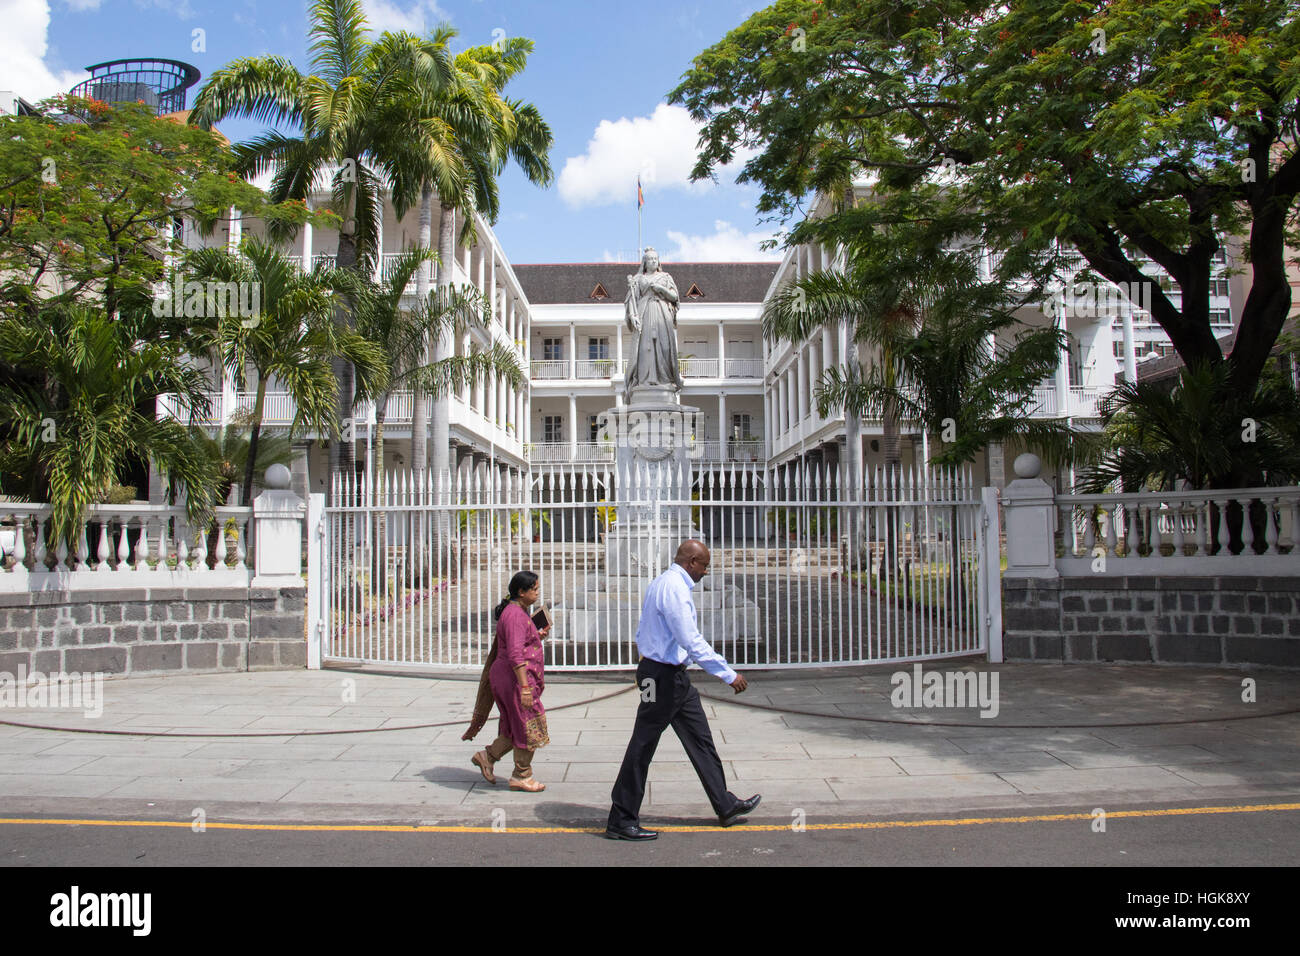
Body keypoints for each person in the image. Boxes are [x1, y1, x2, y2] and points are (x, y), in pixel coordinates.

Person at [605, 540, 760, 841]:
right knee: (643, 744)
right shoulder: (674, 589)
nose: (705, 571)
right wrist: (727, 674)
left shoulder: (663, 582)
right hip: (661, 679)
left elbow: (644, 630)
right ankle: (621, 819)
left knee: (701, 739)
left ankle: (725, 804)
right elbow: (691, 640)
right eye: (704, 565)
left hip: (670, 677)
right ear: (691, 561)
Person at [462, 570, 551, 792]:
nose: (538, 593)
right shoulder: (514, 615)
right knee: (528, 725)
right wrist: (525, 688)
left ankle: (487, 757)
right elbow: (514, 654)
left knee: (515, 725)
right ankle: (522, 775)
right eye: (535, 589)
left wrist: (536, 635)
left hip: (510, 678)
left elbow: (519, 643)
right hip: (513, 680)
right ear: (521, 592)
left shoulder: (518, 613)